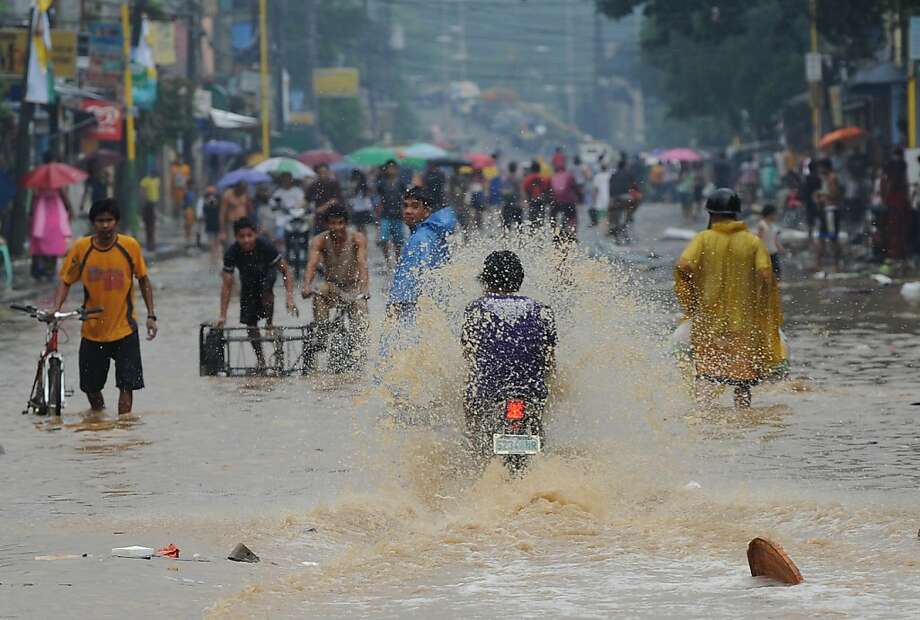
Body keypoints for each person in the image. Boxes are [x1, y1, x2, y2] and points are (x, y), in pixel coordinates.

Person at [674, 189, 784, 409]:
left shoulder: (703, 239)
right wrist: (757, 302)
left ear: (711, 214)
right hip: (744, 324)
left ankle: (704, 421)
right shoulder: (753, 243)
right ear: (737, 214)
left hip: (708, 323)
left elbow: (683, 266)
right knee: (742, 382)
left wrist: (692, 298)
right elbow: (765, 274)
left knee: (705, 375)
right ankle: (743, 421)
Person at [53, 198, 157, 416]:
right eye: (100, 221)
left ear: (116, 222)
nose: (105, 225)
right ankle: (99, 419)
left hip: (125, 329)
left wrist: (151, 315)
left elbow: (144, 280)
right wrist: (56, 310)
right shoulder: (81, 249)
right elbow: (66, 280)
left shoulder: (129, 246)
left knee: (127, 385)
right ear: (93, 223)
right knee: (91, 388)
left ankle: (123, 428)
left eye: (109, 220)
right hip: (92, 330)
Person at [461, 250, 557, 444]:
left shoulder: (477, 309)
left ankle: (475, 445)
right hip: (531, 390)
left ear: (486, 280)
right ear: (519, 279)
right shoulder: (542, 311)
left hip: (489, 390)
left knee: (470, 404)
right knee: (539, 412)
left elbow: (468, 353)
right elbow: (549, 360)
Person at [218, 217, 298, 370]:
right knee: (250, 323)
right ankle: (261, 359)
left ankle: (269, 323)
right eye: (242, 237)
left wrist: (289, 298)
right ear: (236, 237)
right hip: (248, 282)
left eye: (250, 236)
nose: (246, 240)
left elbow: (286, 270)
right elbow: (227, 286)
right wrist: (223, 315)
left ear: (255, 234)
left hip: (267, 275)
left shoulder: (266, 246)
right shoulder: (231, 252)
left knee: (266, 290)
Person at [302, 203, 370, 361]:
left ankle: (359, 353)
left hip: (352, 287)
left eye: (340, 223)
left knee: (361, 322)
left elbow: (362, 264)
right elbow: (311, 265)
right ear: (326, 224)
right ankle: (322, 335)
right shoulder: (319, 240)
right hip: (331, 286)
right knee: (318, 295)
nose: (336, 227)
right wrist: (306, 286)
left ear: (346, 223)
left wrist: (364, 289)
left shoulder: (357, 238)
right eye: (332, 223)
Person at [387, 186, 457, 319]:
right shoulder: (433, 232)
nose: (408, 211)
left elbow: (408, 277)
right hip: (437, 304)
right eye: (405, 206)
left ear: (426, 211)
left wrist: (393, 307)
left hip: (416, 307)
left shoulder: (419, 238)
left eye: (414, 206)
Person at [30, 168, 72, 281]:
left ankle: (41, 269)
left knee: (41, 243)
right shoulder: (58, 184)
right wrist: (70, 210)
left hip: (41, 216)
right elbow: (65, 200)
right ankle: (50, 270)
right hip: (55, 215)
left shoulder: (38, 184)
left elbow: (33, 201)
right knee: (54, 244)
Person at [375, 160, 407, 267]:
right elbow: (378, 199)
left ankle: (398, 260)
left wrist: (405, 211)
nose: (391, 170)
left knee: (398, 241)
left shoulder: (401, 183)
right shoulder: (382, 183)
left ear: (397, 169)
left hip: (398, 215)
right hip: (385, 214)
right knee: (384, 240)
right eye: (389, 168)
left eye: (393, 168)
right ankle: (388, 260)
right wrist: (377, 214)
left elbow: (405, 198)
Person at [305, 163, 344, 233]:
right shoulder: (314, 185)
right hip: (319, 219)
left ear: (328, 172)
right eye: (320, 172)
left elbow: (335, 200)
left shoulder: (334, 183)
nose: (323, 174)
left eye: (324, 172)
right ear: (317, 173)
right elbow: (306, 199)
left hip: (332, 217)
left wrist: (323, 207)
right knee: (317, 239)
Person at [549, 160, 580, 241]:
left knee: (552, 217)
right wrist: (580, 197)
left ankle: (554, 233)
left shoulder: (553, 176)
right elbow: (576, 188)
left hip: (556, 202)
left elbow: (549, 191)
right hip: (568, 202)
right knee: (573, 217)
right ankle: (572, 234)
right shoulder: (569, 175)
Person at [608, 157, 636, 243]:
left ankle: (616, 236)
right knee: (632, 206)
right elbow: (634, 187)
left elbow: (610, 187)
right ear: (624, 166)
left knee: (614, 218)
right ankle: (630, 216)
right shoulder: (629, 174)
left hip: (614, 198)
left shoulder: (613, 175)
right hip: (625, 198)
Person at [219, 180, 250, 247]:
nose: (241, 191)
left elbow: (248, 210)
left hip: (243, 223)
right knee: (232, 244)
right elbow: (222, 213)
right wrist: (222, 231)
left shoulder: (244, 195)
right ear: (237, 187)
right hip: (232, 223)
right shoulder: (227, 194)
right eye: (241, 189)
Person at [756, 204, 784, 279]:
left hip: (773, 252)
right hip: (765, 253)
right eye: (774, 214)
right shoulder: (762, 224)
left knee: (776, 271)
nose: (776, 216)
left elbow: (775, 240)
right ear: (769, 214)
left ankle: (774, 287)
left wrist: (780, 248)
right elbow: (759, 239)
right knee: (765, 273)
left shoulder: (773, 225)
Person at [522, 160, 550, 229]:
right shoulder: (544, 178)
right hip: (541, 201)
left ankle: (532, 234)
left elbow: (525, 190)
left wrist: (527, 201)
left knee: (532, 220)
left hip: (532, 201)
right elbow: (547, 190)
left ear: (531, 169)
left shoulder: (527, 179)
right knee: (541, 220)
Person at [138, 169, 160, 252]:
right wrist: (144, 201)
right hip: (148, 204)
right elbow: (141, 191)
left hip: (154, 204)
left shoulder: (157, 180)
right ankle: (150, 244)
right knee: (149, 226)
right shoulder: (145, 181)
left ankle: (151, 244)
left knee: (152, 226)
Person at [348, 169, 375, 236]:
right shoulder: (353, 185)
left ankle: (363, 241)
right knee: (359, 228)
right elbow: (350, 197)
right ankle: (361, 241)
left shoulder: (363, 187)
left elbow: (367, 198)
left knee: (362, 228)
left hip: (363, 209)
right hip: (357, 209)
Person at [198, 185, 221, 262]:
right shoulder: (205, 201)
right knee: (211, 238)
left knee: (216, 238)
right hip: (210, 222)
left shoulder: (218, 199)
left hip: (216, 221)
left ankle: (216, 253)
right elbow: (204, 210)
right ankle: (213, 253)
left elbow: (219, 208)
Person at [500, 161, 523, 232]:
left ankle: (506, 240)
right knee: (519, 225)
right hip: (516, 204)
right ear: (515, 169)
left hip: (506, 204)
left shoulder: (505, 179)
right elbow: (520, 191)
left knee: (506, 225)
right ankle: (520, 241)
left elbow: (502, 191)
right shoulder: (518, 178)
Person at [590, 161, 612, 228]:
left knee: (601, 216)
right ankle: (608, 228)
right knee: (608, 215)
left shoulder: (597, 176)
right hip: (609, 197)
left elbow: (595, 190)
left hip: (600, 198)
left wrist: (593, 199)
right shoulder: (610, 175)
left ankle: (602, 228)